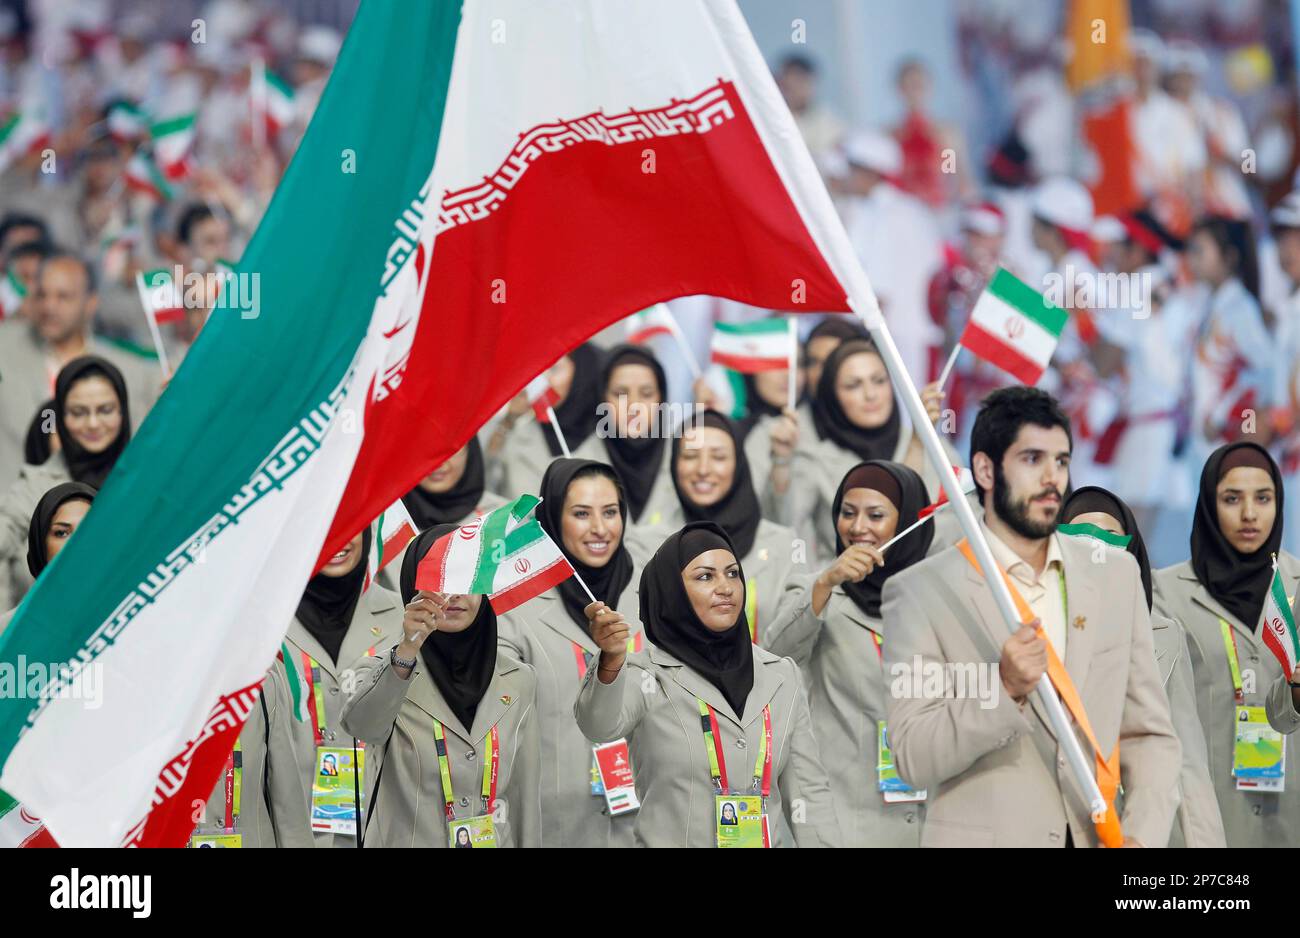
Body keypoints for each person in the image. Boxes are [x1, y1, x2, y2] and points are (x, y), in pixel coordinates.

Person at [883, 387, 1181, 847]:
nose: (1051, 479)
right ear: (985, 469)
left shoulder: (1115, 576)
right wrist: (1002, 691)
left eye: (1061, 461)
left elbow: (1150, 735)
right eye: (1032, 459)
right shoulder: (920, 591)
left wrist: (1141, 837)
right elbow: (913, 756)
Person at [575, 521, 840, 847]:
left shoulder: (780, 674)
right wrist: (611, 659)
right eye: (705, 576)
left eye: (732, 573)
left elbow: (809, 793)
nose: (725, 587)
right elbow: (597, 726)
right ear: (672, 591)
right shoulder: (646, 674)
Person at [341, 524, 541, 848]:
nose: (455, 594)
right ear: (412, 589)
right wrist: (406, 651)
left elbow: (525, 799)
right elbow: (364, 728)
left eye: (468, 578)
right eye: (439, 580)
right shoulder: (385, 671)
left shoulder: (518, 679)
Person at [766, 460, 935, 846]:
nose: (858, 528)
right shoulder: (820, 592)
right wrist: (827, 582)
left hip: (929, 817)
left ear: (907, 521)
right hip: (846, 822)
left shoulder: (936, 594)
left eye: (876, 515)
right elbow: (772, 661)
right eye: (847, 512)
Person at [1060, 486, 1225, 848]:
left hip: (1132, 829)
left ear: (1131, 549)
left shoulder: (1164, 637)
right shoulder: (1035, 627)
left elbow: (1187, 763)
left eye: (1108, 538)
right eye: (1079, 537)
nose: (1094, 549)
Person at [1153, 442, 1300, 847]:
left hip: (1289, 817)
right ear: (1207, 504)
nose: (1249, 514)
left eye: (1263, 498)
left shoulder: (1298, 588)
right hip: (1200, 815)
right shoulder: (1164, 593)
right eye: (1231, 499)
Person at [496, 458, 645, 847]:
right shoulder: (518, 608)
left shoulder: (652, 596)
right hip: (555, 820)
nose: (600, 529)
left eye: (610, 512)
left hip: (643, 816)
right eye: (581, 514)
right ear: (552, 520)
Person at [628, 410, 804, 644]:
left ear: (739, 464)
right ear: (673, 464)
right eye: (690, 456)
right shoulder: (644, 545)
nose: (703, 469)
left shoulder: (782, 543)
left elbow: (800, 640)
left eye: (718, 457)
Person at [277, 530, 404, 847]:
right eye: (326, 529)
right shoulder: (266, 620)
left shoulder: (403, 618)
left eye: (351, 526)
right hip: (291, 828)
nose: (340, 541)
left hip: (383, 827)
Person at [0, 251, 157, 485]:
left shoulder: (132, 371)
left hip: (92, 510)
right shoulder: (5, 347)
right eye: (42, 295)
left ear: (91, 303)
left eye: (63, 297)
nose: (49, 306)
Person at [790, 338, 949, 560]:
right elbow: (793, 539)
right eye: (853, 385)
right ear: (831, 395)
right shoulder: (812, 458)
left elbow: (960, 532)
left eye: (879, 381)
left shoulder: (937, 448)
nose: (870, 394)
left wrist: (918, 441)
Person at [0, 356, 130, 611]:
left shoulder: (147, 478)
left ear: (122, 412)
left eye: (105, 410)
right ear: (61, 416)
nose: (93, 423)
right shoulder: (33, 487)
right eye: (78, 412)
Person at [1185, 217, 1272, 472]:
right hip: (1199, 443)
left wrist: (1224, 416)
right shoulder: (1208, 306)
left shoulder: (1240, 309)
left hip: (1225, 441)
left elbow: (1266, 372)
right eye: (1190, 250)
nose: (1191, 259)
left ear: (1229, 257)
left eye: (1199, 251)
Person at [379, 438, 506, 591]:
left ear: (470, 450)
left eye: (451, 449)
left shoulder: (508, 517)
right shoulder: (382, 524)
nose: (438, 463)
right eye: (424, 450)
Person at [570, 345, 676, 527]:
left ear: (661, 398)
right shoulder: (577, 465)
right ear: (602, 398)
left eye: (646, 393)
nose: (634, 406)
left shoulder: (687, 459)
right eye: (620, 394)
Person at [484, 343, 604, 497]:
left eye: (554, 369)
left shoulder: (609, 437)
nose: (544, 380)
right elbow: (487, 490)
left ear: (582, 372)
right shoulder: (516, 436)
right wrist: (509, 421)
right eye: (539, 370)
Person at [0, 480, 96, 634]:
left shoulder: (135, 612)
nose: (77, 543)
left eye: (89, 530)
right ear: (41, 544)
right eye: (62, 533)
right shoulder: (7, 633)